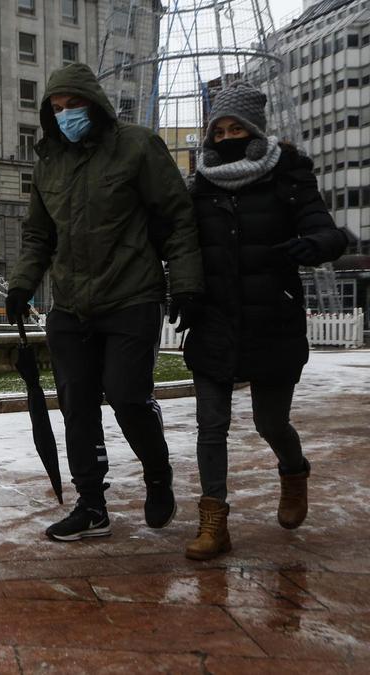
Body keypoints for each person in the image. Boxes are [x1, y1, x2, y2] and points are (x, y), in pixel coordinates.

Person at [6, 64, 205, 542]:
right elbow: (38, 234)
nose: (66, 115)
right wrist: (21, 285)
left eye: (73, 105)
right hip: (71, 304)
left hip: (131, 294)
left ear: (94, 103)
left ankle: (157, 472)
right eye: (57, 108)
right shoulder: (49, 162)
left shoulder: (137, 146)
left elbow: (177, 218)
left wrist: (186, 284)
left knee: (127, 396)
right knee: (76, 404)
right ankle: (91, 505)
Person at [182, 83, 350, 560]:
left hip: (272, 318)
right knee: (210, 425)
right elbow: (179, 242)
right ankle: (214, 521)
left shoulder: (288, 175)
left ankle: (293, 472)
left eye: (236, 130)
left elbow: (325, 230)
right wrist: (182, 290)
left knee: (269, 421)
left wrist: (316, 244)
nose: (226, 138)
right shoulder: (200, 184)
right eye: (219, 131)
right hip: (213, 319)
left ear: (255, 132)